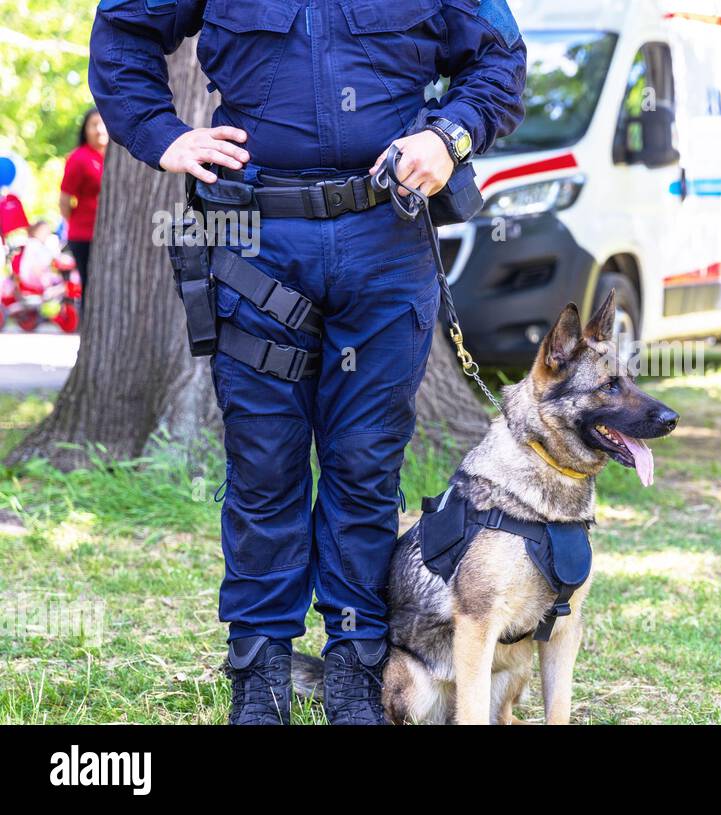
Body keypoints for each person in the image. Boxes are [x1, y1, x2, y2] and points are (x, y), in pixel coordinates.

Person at [88, 0, 526, 725]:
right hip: (255, 238)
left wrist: (449, 136)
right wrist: (162, 135)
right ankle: (258, 670)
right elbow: (125, 29)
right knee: (265, 464)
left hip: (386, 239)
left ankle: (356, 665)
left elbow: (499, 61)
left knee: (364, 465)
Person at [59, 109, 106, 294]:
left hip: (107, 233)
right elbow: (64, 200)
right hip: (85, 235)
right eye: (94, 124)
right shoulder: (79, 158)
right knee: (89, 287)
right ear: (85, 130)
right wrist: (77, 222)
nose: (100, 129)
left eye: (103, 123)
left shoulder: (109, 157)